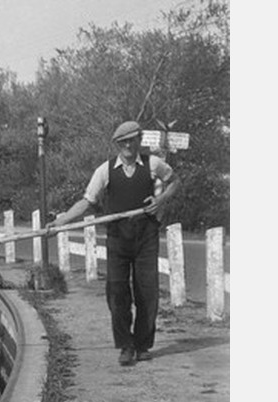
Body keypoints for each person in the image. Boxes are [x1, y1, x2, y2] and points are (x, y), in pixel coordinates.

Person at [48, 121, 180, 366]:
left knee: (147, 292)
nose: (128, 145)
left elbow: (175, 182)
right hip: (118, 238)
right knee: (117, 294)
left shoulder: (153, 164)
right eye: (123, 142)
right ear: (117, 145)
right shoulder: (105, 171)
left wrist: (160, 199)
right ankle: (126, 346)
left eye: (132, 140)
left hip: (146, 236)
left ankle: (142, 346)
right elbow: (87, 202)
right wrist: (61, 221)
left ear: (139, 140)